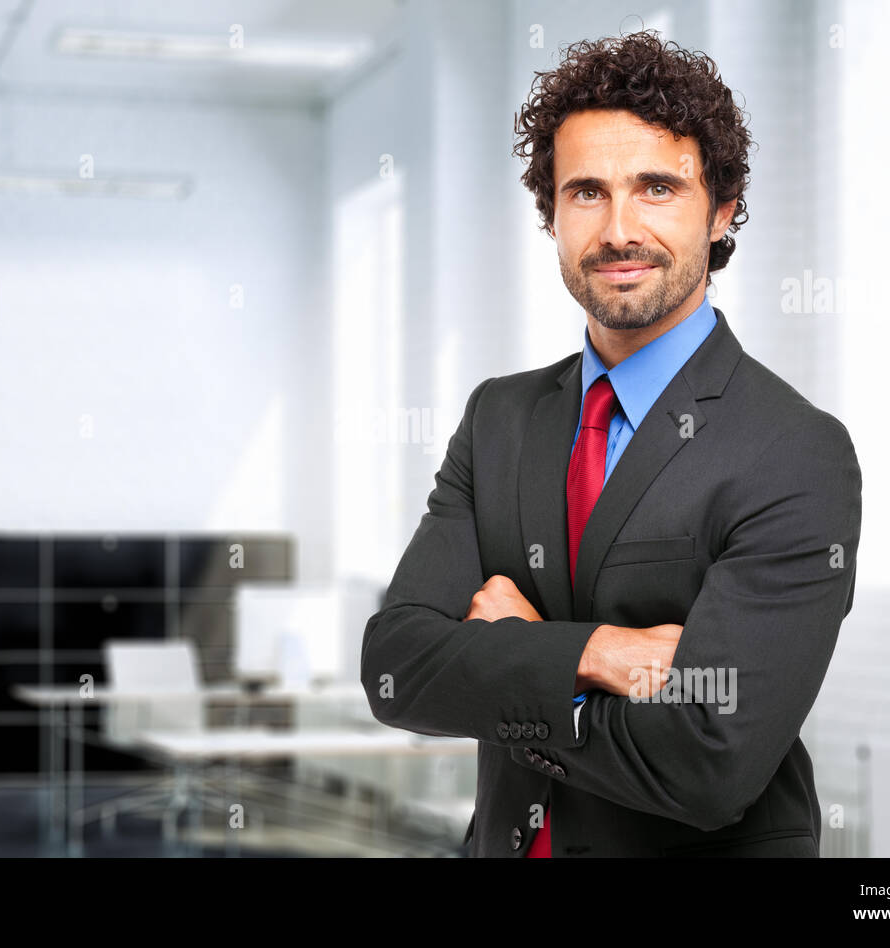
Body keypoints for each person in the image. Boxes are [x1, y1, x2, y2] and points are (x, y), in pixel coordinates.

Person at [361, 31, 862, 857]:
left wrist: (515, 655)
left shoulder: (794, 450)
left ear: (723, 207)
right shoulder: (500, 419)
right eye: (587, 192)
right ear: (551, 215)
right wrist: (600, 653)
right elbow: (397, 667)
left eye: (657, 187)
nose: (619, 228)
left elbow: (711, 762)